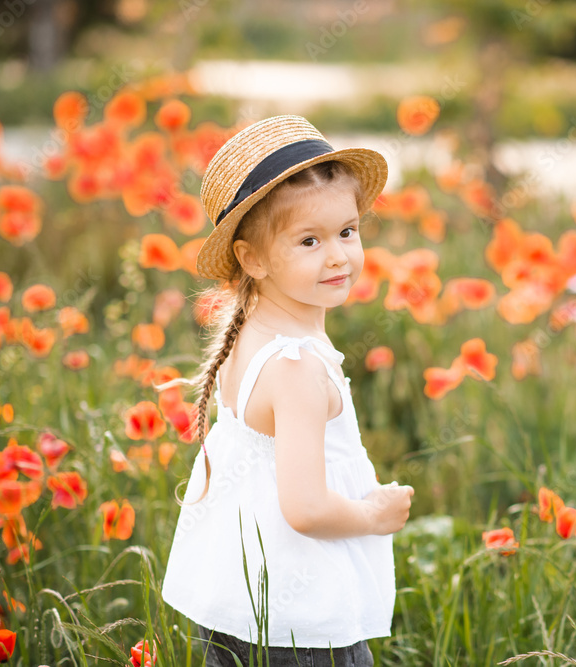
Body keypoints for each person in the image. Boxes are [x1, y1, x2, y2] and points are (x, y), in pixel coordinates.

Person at [159, 115, 414, 667]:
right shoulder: (295, 367)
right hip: (300, 622)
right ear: (252, 258)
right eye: (309, 240)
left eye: (347, 231)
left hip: (243, 604)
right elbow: (304, 507)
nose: (338, 256)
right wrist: (376, 515)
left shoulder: (254, 334)